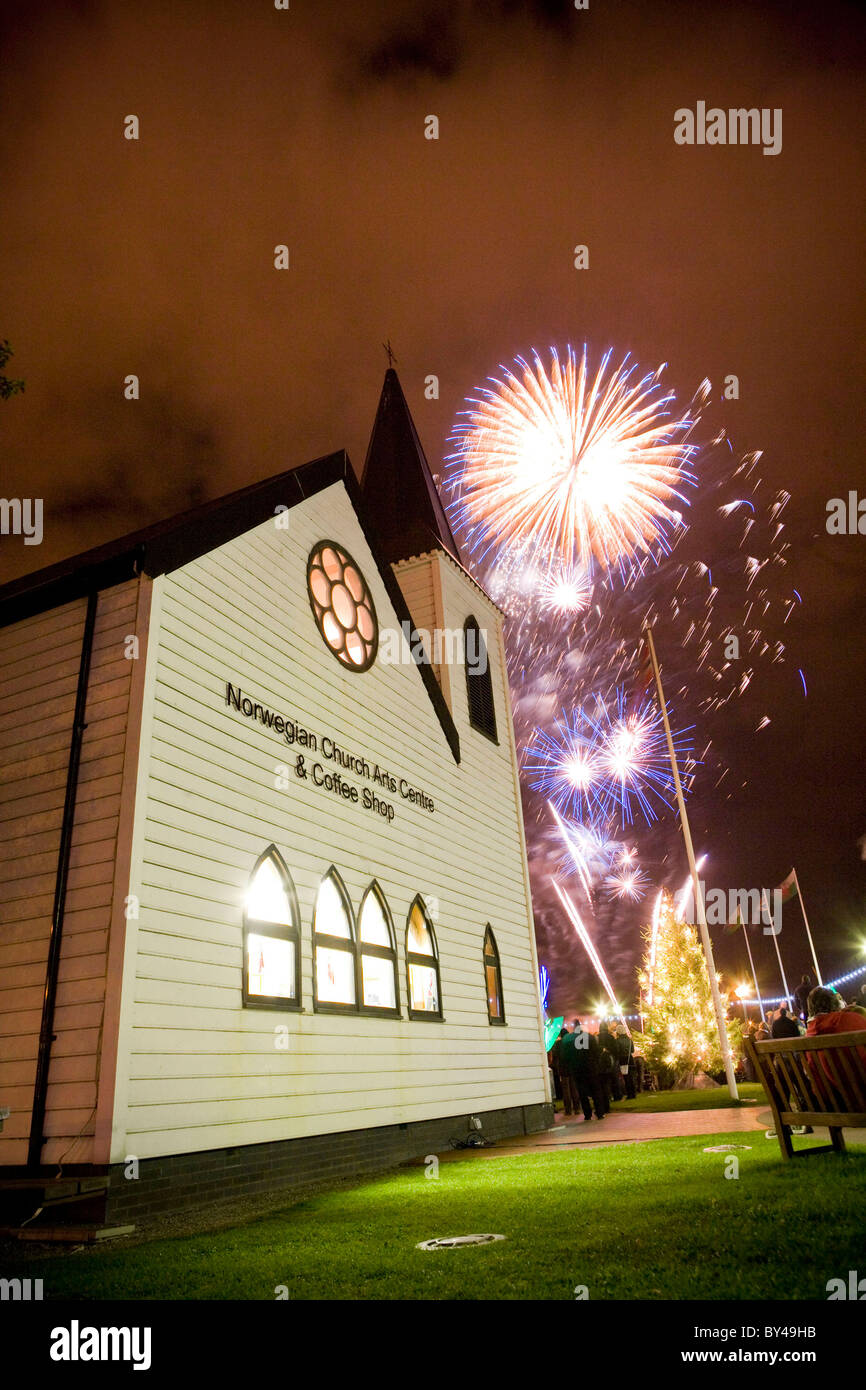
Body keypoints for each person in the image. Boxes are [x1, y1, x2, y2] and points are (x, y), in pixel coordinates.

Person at [563, 1017, 607, 1120]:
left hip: (577, 1069)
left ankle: (587, 1114)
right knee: (596, 1090)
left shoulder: (570, 1041)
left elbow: (567, 1056)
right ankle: (600, 1112)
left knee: (582, 1093)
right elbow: (596, 1052)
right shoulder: (590, 1038)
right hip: (591, 1068)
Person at [598, 1021, 623, 1101]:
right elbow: (616, 1050)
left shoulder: (597, 1038)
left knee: (603, 1081)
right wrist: (615, 1059)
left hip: (601, 1062)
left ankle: (606, 1097)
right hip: (611, 1060)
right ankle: (617, 1096)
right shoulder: (611, 1037)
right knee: (614, 1080)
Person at [613, 1023, 636, 1099]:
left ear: (618, 1032)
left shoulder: (617, 1041)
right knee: (631, 1078)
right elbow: (632, 1050)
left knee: (626, 1078)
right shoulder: (629, 1040)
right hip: (631, 1060)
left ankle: (629, 1094)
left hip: (623, 1060)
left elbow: (617, 1051)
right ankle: (633, 1093)